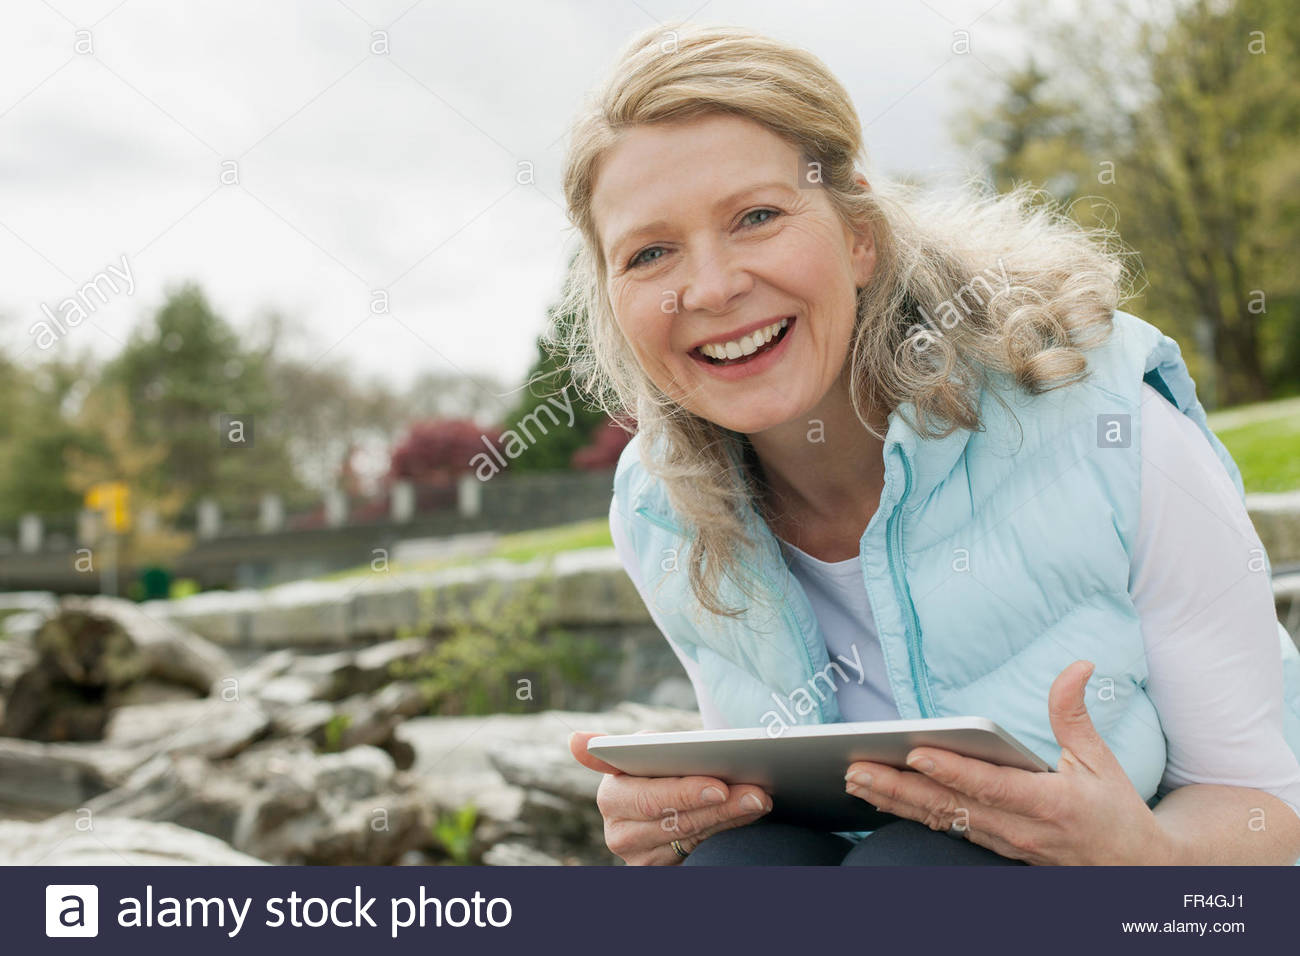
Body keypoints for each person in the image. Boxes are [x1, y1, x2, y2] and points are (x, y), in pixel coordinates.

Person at [557, 22, 1300, 865]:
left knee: (922, 869)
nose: (714, 286)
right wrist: (686, 816)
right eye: (650, 253)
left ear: (859, 234)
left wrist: (1145, 859)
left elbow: (1270, 810)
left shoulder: (1107, 424)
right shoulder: (659, 508)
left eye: (757, 217)